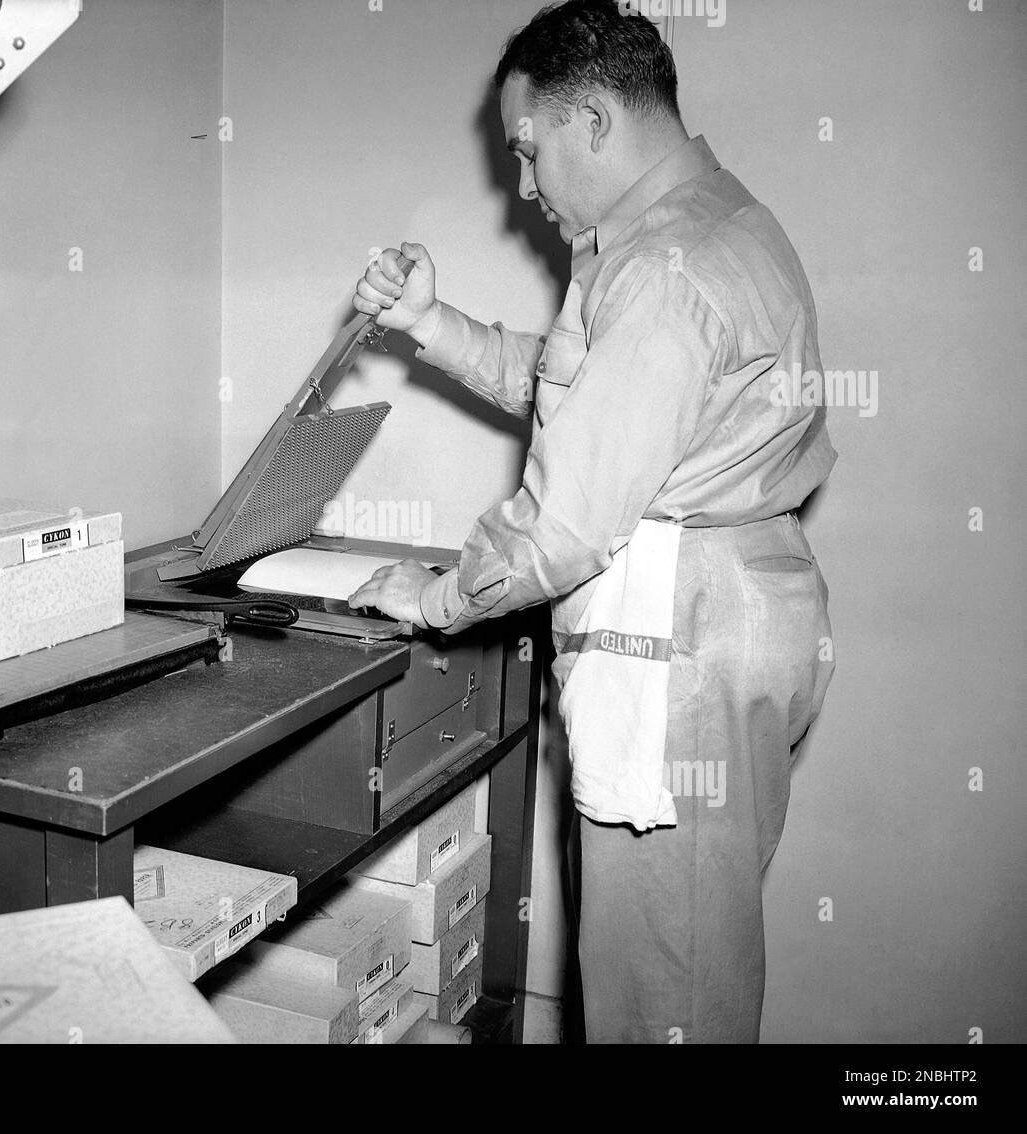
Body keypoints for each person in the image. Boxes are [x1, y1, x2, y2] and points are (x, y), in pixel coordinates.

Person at [347, 0, 835, 1043]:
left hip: (679, 655)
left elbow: (566, 526)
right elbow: (585, 389)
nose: (522, 186)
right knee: (673, 966)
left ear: (595, 121)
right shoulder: (708, 223)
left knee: (659, 999)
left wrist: (431, 599)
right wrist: (431, 325)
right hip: (728, 625)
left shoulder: (660, 270)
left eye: (530, 152)